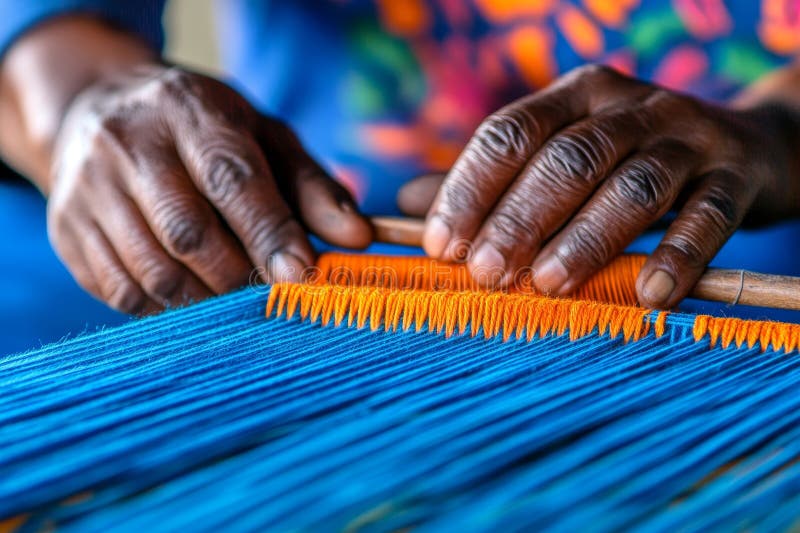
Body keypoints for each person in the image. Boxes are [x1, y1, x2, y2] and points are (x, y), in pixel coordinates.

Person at [0, 1, 798, 347]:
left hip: (707, 299)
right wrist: (80, 104)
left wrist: (781, 132)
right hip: (289, 256)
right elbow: (50, 32)